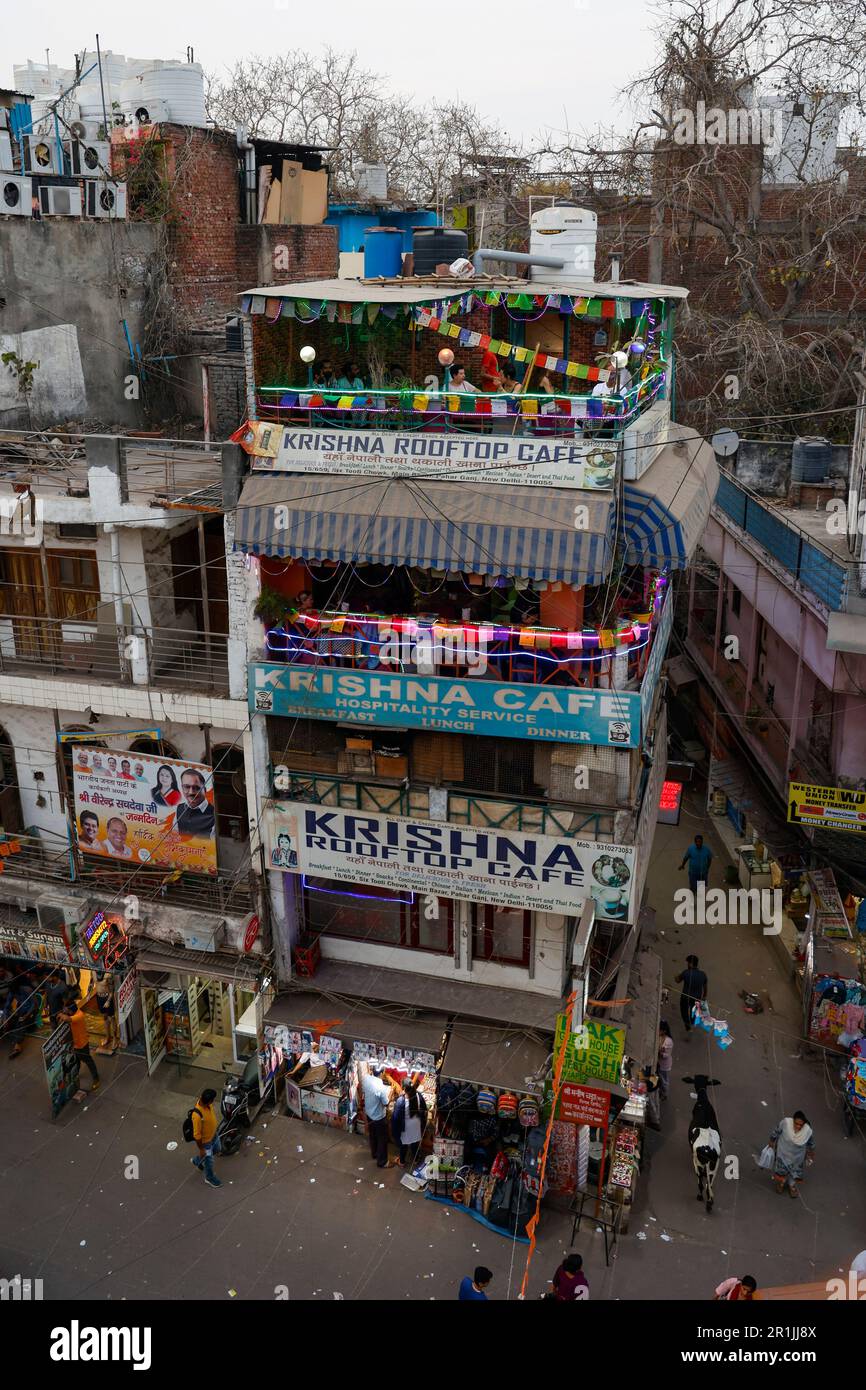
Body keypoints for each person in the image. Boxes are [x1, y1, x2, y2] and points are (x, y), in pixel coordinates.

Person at [360, 1061, 399, 1168]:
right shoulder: (381, 1088)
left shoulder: (366, 1078)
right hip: (378, 1117)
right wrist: (391, 1092)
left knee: (373, 1135)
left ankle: (375, 1154)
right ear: (382, 1073)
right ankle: (383, 1162)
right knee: (382, 1138)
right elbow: (386, 1103)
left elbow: (364, 1090)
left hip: (369, 1113)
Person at [58, 990, 99, 1090]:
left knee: (88, 1061)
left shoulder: (79, 1015)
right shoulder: (73, 1014)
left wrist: (61, 1015)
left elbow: (67, 1019)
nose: (65, 1010)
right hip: (75, 1044)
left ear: (71, 1010)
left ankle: (96, 1078)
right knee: (76, 1061)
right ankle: (75, 1075)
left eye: (67, 1009)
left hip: (82, 1044)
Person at [769, 1111, 815, 1198]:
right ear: (793, 1120)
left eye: (801, 1125)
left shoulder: (807, 1130)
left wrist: (811, 1153)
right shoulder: (785, 1123)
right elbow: (776, 1131)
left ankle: (792, 1185)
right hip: (783, 1153)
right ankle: (781, 1183)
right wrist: (771, 1140)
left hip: (798, 1157)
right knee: (782, 1170)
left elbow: (811, 1143)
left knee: (794, 1171)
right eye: (796, 1124)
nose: (798, 1126)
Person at [391, 1078, 428, 1168]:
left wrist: (395, 1133)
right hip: (416, 1125)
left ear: (403, 1088)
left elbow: (395, 1119)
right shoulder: (419, 1096)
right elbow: (424, 1110)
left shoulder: (401, 1101)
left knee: (404, 1146)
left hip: (406, 1127)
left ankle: (402, 1162)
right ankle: (415, 1160)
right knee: (415, 1143)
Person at [190, 1087, 222, 1188]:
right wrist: (202, 1149)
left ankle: (197, 1160)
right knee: (209, 1161)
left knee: (218, 1149)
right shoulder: (197, 1116)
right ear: (209, 1101)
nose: (213, 1102)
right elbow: (197, 1136)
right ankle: (209, 1178)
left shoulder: (206, 1103)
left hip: (214, 1135)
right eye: (212, 1100)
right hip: (206, 1142)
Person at [175, 770, 216, 837]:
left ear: (204, 790)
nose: (191, 792)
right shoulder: (179, 808)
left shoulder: (213, 812)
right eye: (187, 787)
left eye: (196, 788)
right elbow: (175, 833)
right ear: (182, 788)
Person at [675, 954, 708, 1033]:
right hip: (697, 998)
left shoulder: (686, 973)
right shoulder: (703, 974)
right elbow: (705, 987)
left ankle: (688, 1026)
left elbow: (677, 980)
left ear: (690, 964)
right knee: (694, 1011)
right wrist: (704, 996)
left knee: (684, 1012)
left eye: (688, 963)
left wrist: (676, 975)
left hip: (685, 997)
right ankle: (693, 1022)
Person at [94, 974, 119, 1054]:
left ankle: (114, 1038)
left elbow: (112, 990)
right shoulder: (93, 971)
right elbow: (92, 983)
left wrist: (108, 1001)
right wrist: (88, 993)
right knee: (104, 1017)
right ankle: (107, 1037)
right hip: (99, 997)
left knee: (111, 1018)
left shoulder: (108, 975)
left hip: (107, 997)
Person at [657, 1020, 674, 1097]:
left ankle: (664, 1093)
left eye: (659, 1030)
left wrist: (660, 1052)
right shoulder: (659, 1037)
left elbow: (666, 1055)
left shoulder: (668, 1041)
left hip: (664, 1065)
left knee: (664, 1080)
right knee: (659, 1078)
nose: (658, 1031)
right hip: (659, 1063)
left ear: (664, 1031)